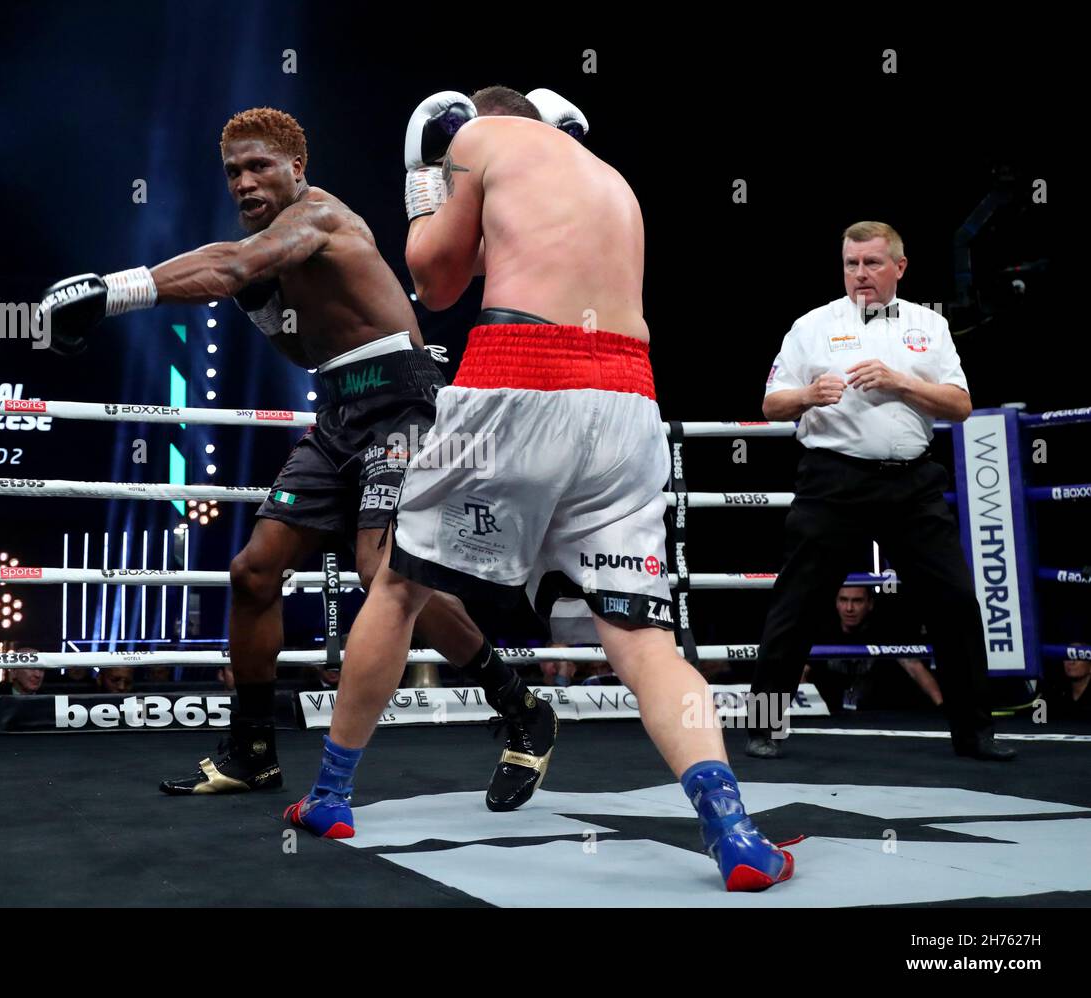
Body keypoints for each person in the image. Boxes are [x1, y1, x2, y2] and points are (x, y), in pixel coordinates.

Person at [285, 86, 793, 892]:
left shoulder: (480, 142)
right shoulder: (607, 177)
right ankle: (734, 833)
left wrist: (425, 179)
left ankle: (331, 795)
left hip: (519, 380)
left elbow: (436, 282)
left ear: (483, 120)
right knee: (642, 641)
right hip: (629, 403)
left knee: (400, 586)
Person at [38, 106, 554, 808]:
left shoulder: (320, 216)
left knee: (382, 569)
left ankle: (520, 705)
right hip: (340, 411)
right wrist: (256, 304)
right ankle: (252, 749)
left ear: (296, 170)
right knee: (254, 572)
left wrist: (110, 293)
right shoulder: (276, 256)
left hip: (402, 404)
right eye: (233, 172)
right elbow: (298, 338)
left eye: (259, 167)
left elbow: (230, 263)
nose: (245, 182)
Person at [745, 221, 1014, 762]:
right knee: (796, 602)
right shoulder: (813, 325)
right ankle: (764, 725)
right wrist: (807, 394)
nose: (860, 275)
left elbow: (960, 406)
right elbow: (771, 405)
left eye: (870, 263)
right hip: (833, 478)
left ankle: (973, 731)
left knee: (956, 602)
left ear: (899, 266)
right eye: (851, 264)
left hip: (911, 481)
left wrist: (902, 382)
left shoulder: (929, 325)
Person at [803, 584, 942, 712]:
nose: (849, 608)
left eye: (857, 601)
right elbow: (801, 672)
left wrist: (942, 706)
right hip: (831, 714)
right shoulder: (823, 631)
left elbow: (914, 667)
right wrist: (805, 708)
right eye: (843, 600)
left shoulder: (884, 629)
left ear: (870, 604)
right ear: (836, 603)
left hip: (877, 713)